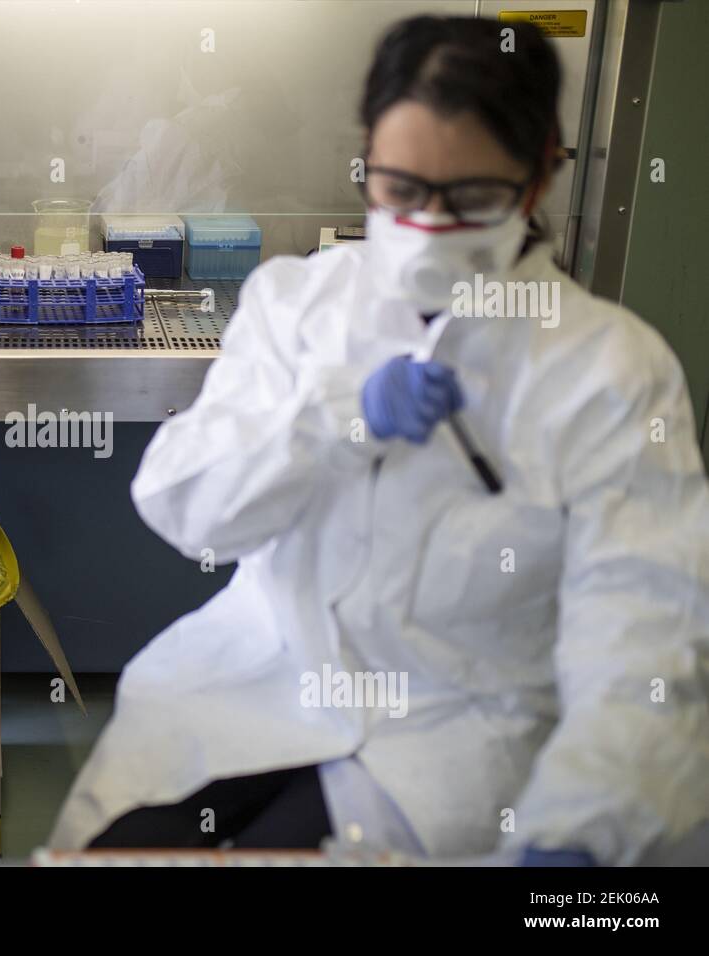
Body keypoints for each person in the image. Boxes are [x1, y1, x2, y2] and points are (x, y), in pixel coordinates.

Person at [50, 16, 709, 865]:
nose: (430, 223)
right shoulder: (297, 305)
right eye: (401, 191)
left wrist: (581, 830)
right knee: (118, 847)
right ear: (368, 159)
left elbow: (642, 632)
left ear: (541, 173)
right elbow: (186, 507)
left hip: (454, 730)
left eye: (470, 198)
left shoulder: (608, 369)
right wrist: (333, 419)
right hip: (258, 674)